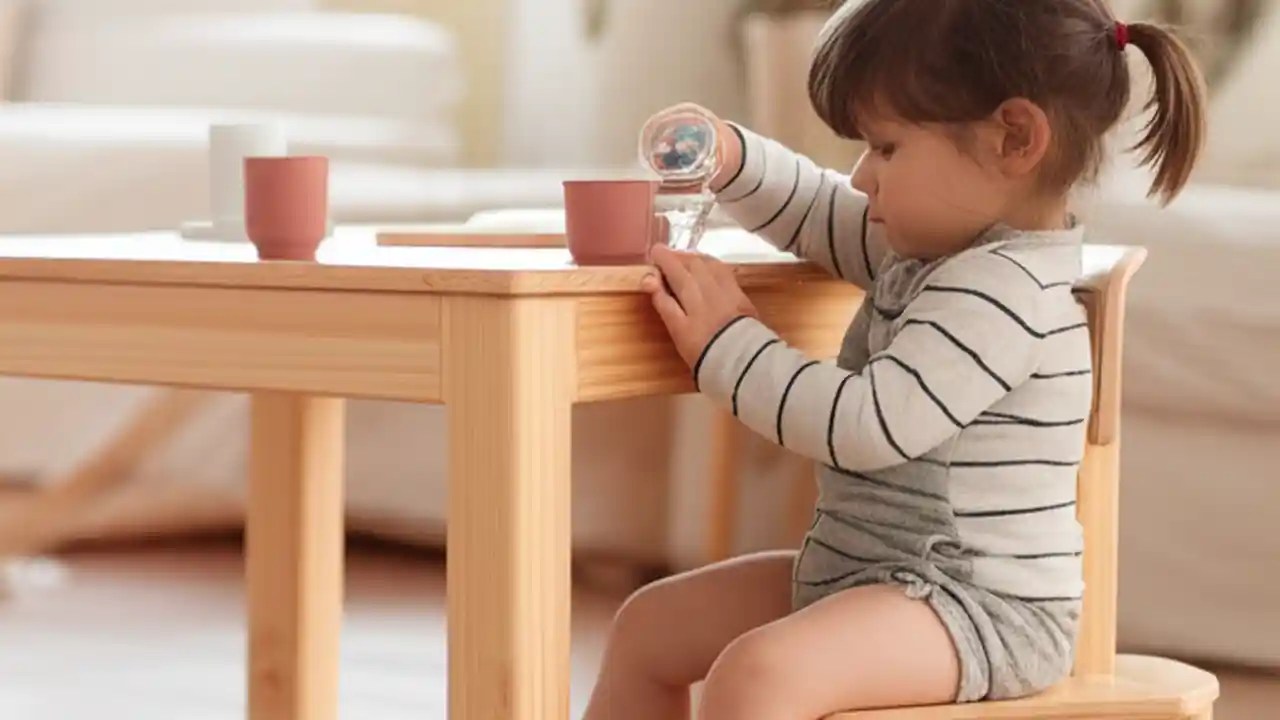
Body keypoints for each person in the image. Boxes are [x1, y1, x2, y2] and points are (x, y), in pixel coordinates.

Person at [583, 1, 1207, 718]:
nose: (860, 177)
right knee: (650, 627)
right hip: (869, 577)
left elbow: (867, 423)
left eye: (885, 148)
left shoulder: (1004, 294)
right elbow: (819, 213)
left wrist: (729, 344)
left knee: (759, 677)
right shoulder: (939, 251)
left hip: (978, 608)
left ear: (1014, 138)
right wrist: (732, 157)